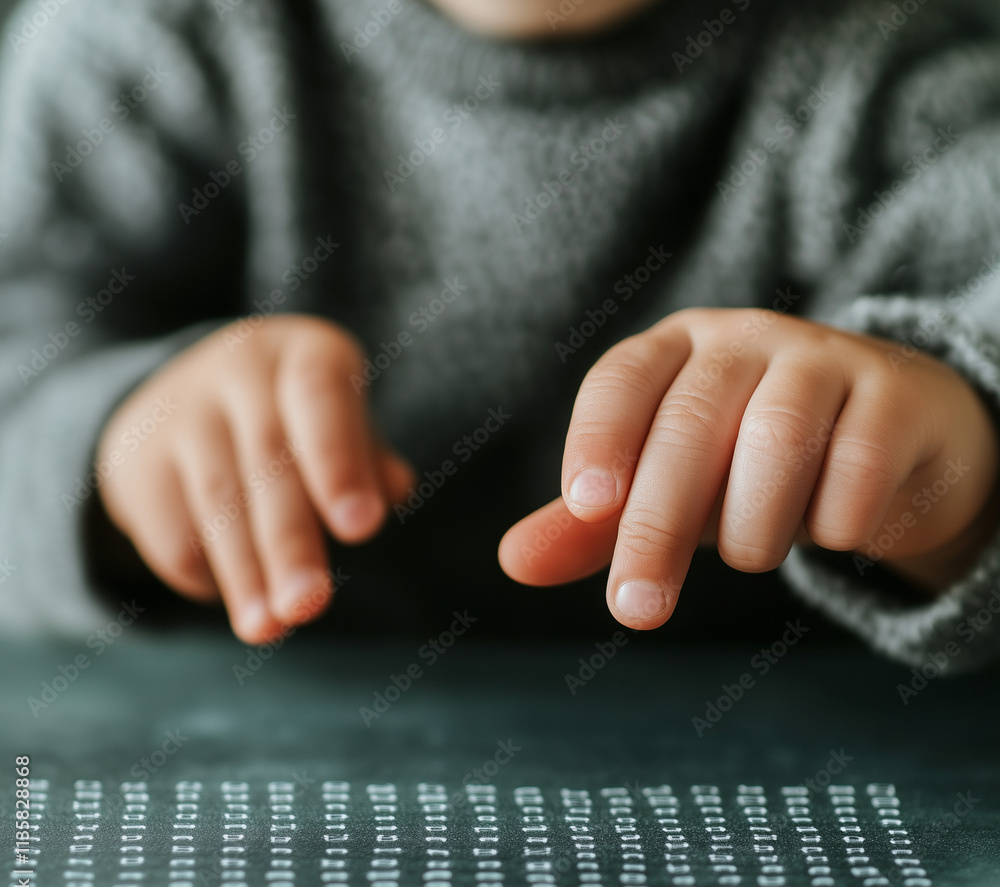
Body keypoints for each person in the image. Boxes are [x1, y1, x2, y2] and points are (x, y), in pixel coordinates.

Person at [1, 0, 1000, 675]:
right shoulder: (142, 40)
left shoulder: (916, 71)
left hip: (774, 795)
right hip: (246, 783)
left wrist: (946, 476)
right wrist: (114, 444)